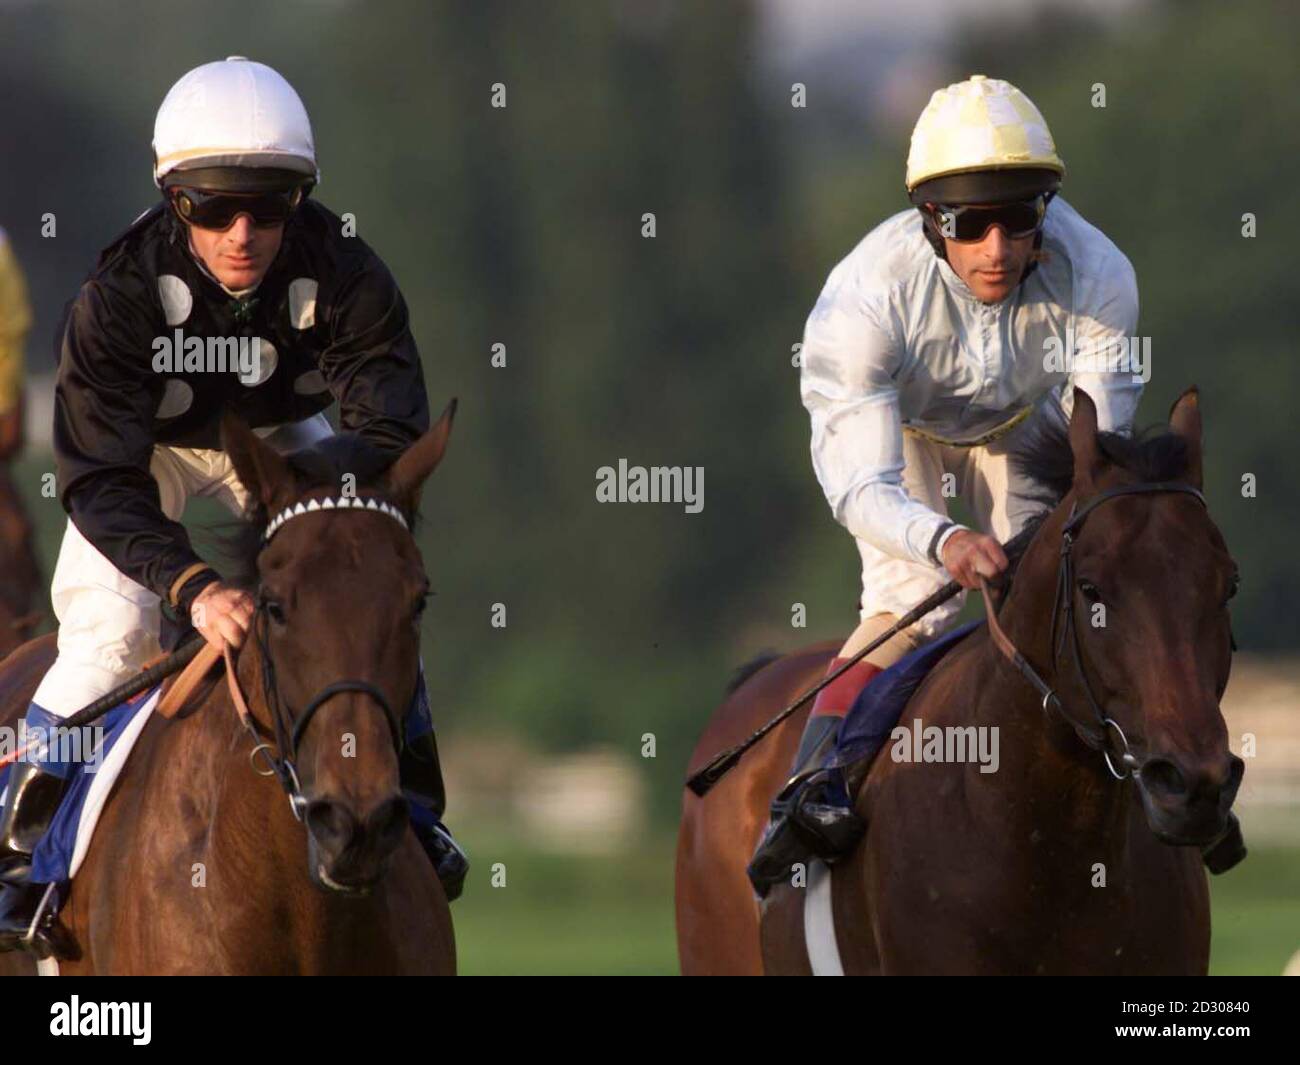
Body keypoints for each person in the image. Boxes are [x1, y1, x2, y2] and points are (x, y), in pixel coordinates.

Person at [0, 57, 467, 941]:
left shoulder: (350, 272)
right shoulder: (118, 296)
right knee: (104, 644)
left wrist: (337, 515)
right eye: (214, 207)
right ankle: (26, 851)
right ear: (174, 199)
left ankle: (419, 815)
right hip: (145, 467)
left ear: (304, 200)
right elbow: (96, 477)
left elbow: (389, 432)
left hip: (285, 454)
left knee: (354, 614)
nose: (243, 231)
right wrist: (191, 588)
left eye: (270, 204)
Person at [749, 75, 1142, 893]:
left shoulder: (1101, 274)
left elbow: (1095, 459)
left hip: (1025, 429)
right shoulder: (863, 298)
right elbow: (861, 483)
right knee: (916, 594)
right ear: (932, 223)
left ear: (1047, 213)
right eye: (970, 223)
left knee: (1054, 586)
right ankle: (814, 779)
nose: (997, 247)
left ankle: (1149, 768)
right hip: (905, 435)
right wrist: (945, 536)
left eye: (1020, 218)